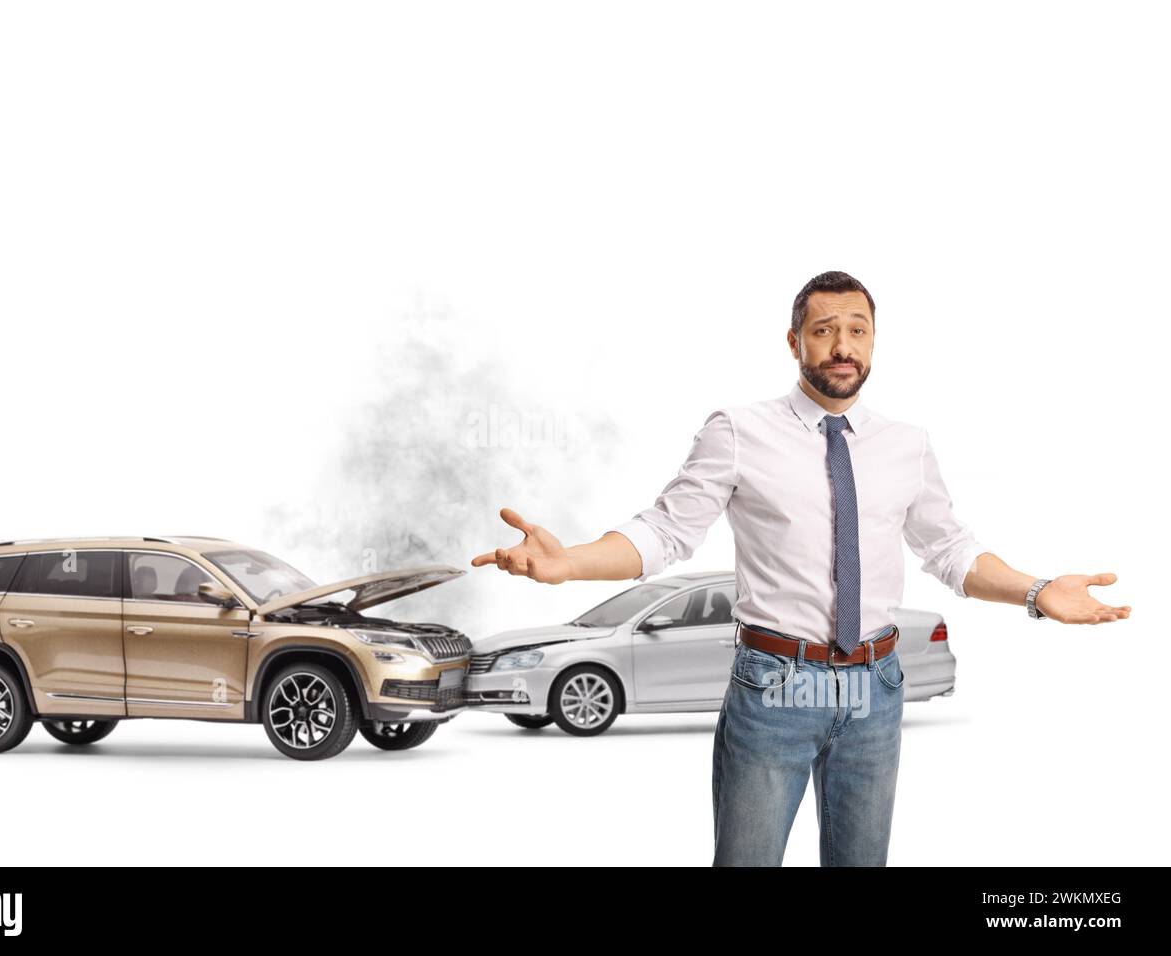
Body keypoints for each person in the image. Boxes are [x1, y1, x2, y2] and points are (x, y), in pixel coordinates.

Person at [471, 270, 1131, 866]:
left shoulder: (907, 446)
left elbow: (951, 552)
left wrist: (1037, 590)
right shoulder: (738, 430)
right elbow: (666, 532)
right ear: (794, 342)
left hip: (875, 687)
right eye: (824, 331)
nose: (842, 346)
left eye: (857, 331)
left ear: (874, 341)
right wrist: (569, 565)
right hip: (777, 686)